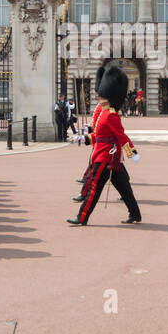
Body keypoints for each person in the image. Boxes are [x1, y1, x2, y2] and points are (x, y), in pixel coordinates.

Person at [67, 64, 142, 226]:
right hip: (108, 157)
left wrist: (132, 153)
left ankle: (82, 216)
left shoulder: (111, 116)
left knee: (94, 189)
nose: (98, 97)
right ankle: (135, 214)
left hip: (105, 158)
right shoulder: (104, 113)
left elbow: (121, 137)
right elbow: (98, 136)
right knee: (124, 188)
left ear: (107, 96)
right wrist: (82, 139)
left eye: (100, 96)